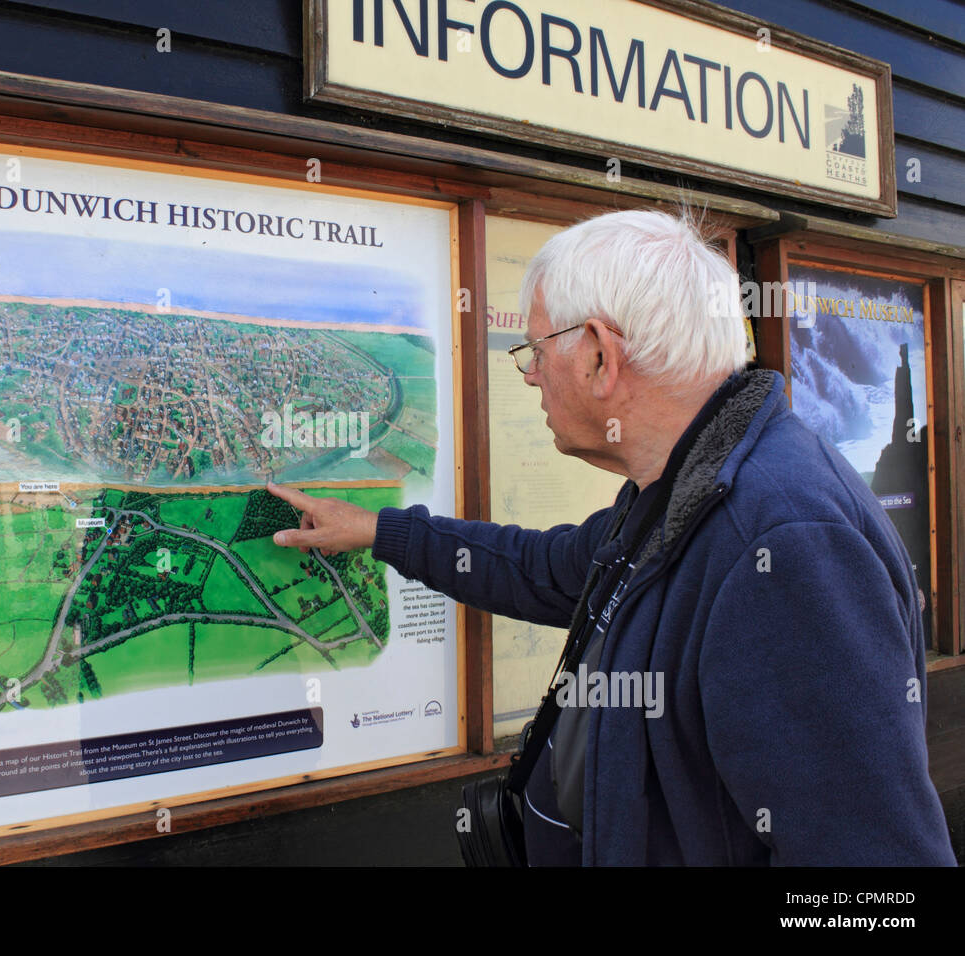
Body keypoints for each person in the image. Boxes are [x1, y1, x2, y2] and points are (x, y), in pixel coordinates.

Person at [266, 208, 956, 865]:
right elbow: (547, 568)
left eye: (535, 349)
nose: (530, 372)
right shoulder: (684, 488)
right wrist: (379, 531)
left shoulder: (783, 544)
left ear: (599, 355)